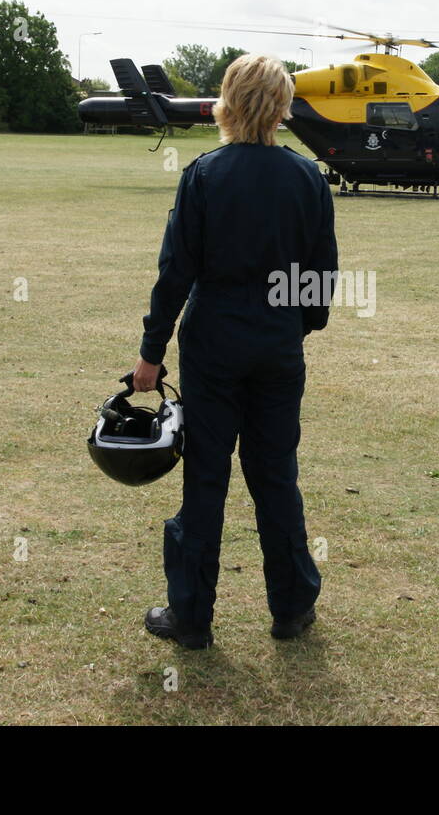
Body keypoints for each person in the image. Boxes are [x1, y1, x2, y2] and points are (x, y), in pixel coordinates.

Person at [130, 54, 338, 649]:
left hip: (213, 349)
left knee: (206, 479)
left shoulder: (203, 175)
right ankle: (292, 608)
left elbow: (176, 272)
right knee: (276, 476)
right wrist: (299, 325)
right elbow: (322, 272)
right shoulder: (308, 178)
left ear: (227, 101)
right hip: (277, 350)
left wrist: (151, 352)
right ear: (281, 107)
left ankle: (191, 617)